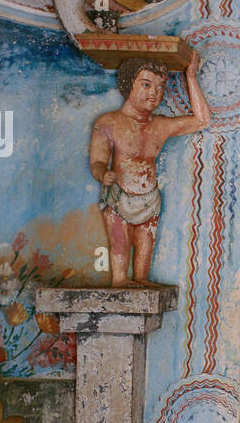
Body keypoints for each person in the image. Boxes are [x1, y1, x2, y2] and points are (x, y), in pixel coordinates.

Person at [89, 52, 210, 288]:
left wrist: (191, 77)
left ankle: (141, 278)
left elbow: (203, 120)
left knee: (145, 243)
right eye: (146, 84)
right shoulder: (108, 123)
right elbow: (97, 160)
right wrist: (103, 174)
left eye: (160, 86)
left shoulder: (160, 126)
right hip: (119, 198)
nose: (154, 93)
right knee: (120, 242)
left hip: (150, 199)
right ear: (128, 85)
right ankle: (120, 279)